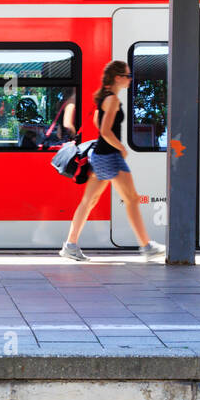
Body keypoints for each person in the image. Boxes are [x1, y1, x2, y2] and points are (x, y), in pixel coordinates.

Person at [59, 60, 165, 262]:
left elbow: (97, 123)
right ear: (118, 78)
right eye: (127, 75)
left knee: (88, 201)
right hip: (109, 156)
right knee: (132, 199)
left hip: (100, 155)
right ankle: (146, 246)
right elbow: (105, 131)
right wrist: (121, 147)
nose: (130, 79)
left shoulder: (104, 98)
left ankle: (70, 245)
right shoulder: (113, 100)